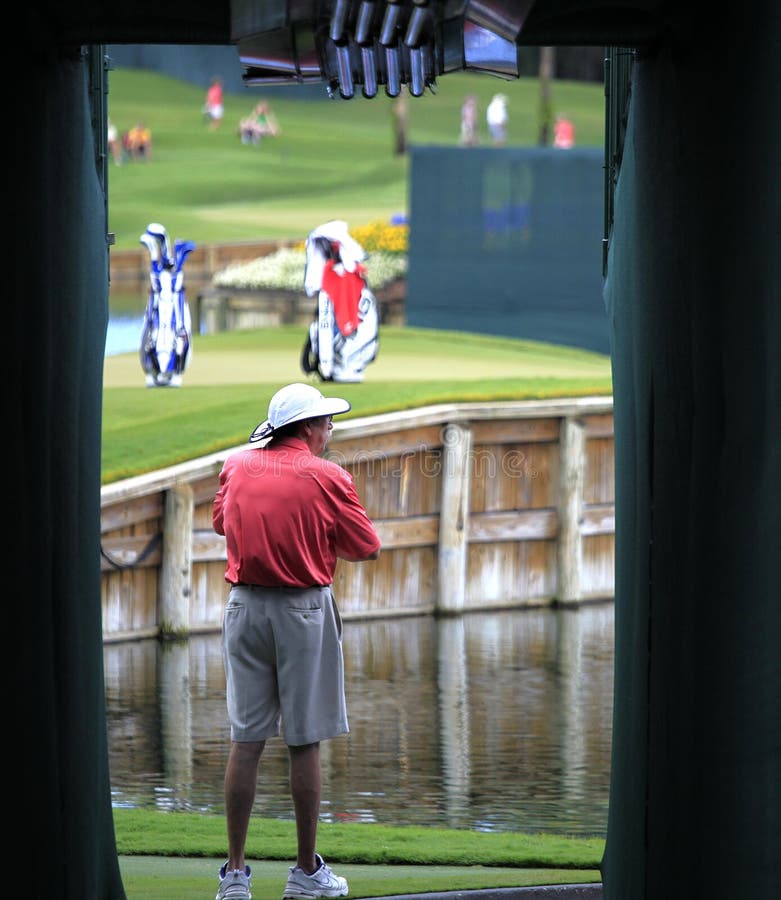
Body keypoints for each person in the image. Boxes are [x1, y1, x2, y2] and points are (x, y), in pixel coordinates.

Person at [212, 382, 381, 900]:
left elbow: (222, 522)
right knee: (304, 740)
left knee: (246, 739)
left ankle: (235, 875)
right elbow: (366, 547)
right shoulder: (330, 476)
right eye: (326, 422)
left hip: (244, 606)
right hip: (303, 609)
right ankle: (306, 872)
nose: (330, 429)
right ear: (306, 428)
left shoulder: (237, 465)